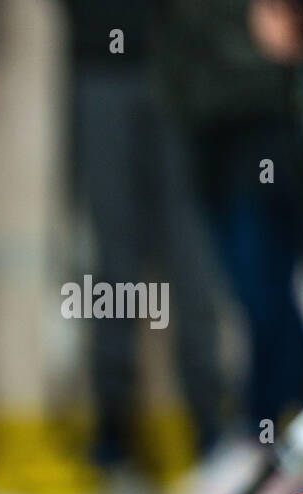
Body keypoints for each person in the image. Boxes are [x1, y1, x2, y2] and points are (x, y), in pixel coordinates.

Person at [61, 1, 229, 467]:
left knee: (190, 250)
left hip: (185, 67)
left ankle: (208, 424)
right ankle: (112, 425)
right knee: (113, 256)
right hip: (99, 63)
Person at [152, 0, 303, 433]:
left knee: (264, 283)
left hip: (266, 124)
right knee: (247, 285)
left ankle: (278, 417)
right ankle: (276, 422)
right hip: (206, 127)